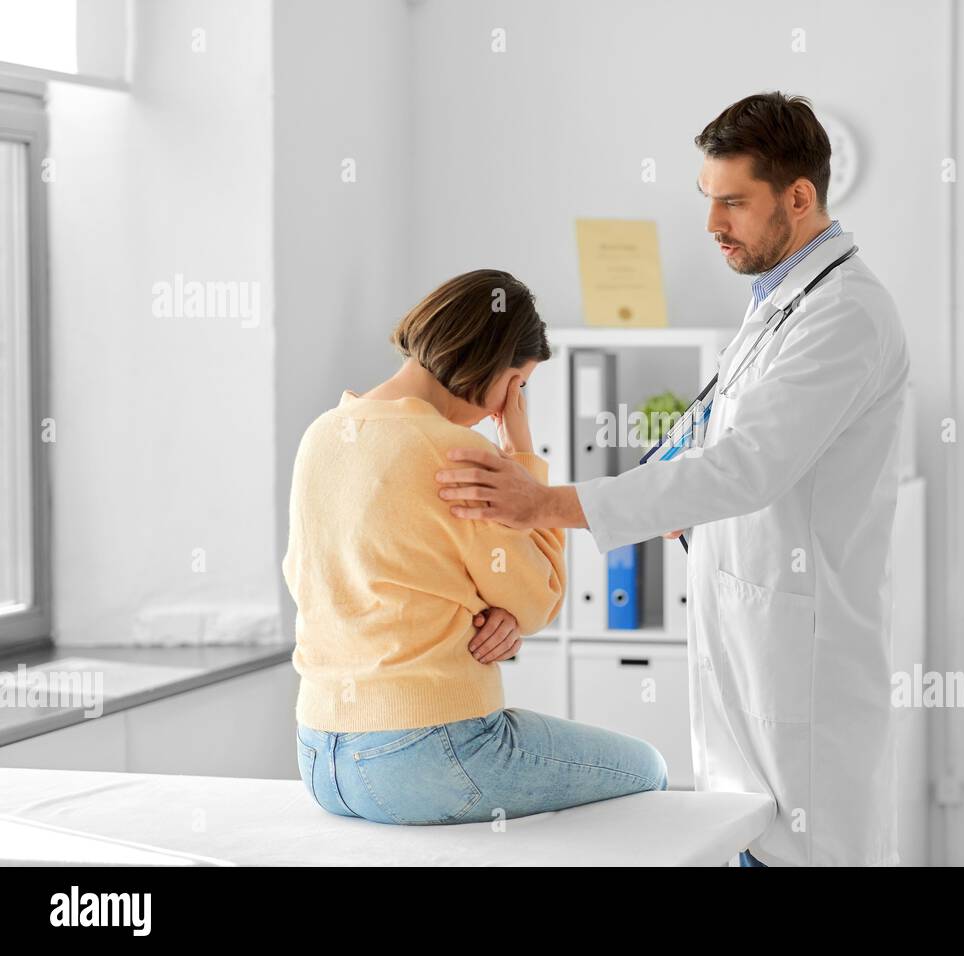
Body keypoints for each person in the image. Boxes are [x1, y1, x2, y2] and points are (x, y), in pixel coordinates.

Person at [434, 93, 911, 866]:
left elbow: (746, 468)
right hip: (749, 648)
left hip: (803, 673)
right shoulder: (778, 305)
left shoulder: (846, 314)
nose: (713, 225)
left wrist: (546, 504)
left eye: (733, 203)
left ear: (800, 197)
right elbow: (720, 449)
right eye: (708, 201)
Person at [283, 269, 669, 826]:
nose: (502, 407)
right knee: (648, 770)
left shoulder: (322, 434)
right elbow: (541, 598)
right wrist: (521, 453)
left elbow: (337, 580)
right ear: (491, 363)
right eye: (518, 384)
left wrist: (484, 613)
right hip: (428, 755)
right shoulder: (458, 454)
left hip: (320, 759)